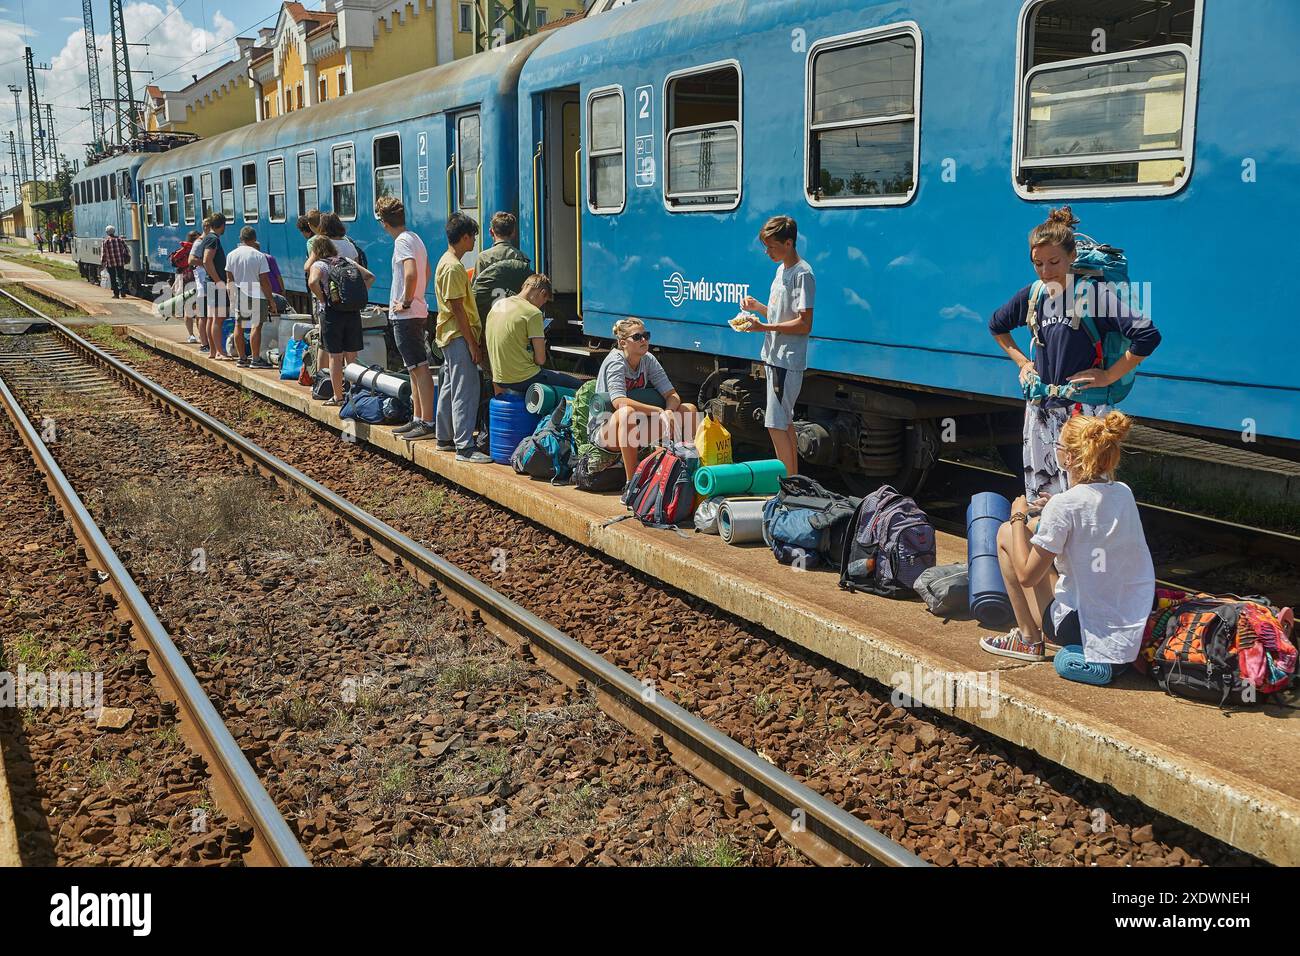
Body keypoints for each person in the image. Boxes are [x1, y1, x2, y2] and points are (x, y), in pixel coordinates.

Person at [990, 206, 1162, 505]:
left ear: (1072, 257)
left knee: (1087, 502)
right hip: (1041, 411)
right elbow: (997, 326)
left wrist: (1109, 376)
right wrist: (1023, 362)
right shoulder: (1034, 295)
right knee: (1042, 501)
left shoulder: (1094, 294)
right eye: (1038, 264)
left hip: (1084, 417)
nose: (1046, 272)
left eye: (1054, 262)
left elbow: (1147, 335)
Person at [980, 412, 1154, 686]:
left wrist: (1016, 517)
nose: (1056, 451)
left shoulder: (1065, 505)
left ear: (1069, 458)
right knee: (1050, 550)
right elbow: (1090, 523)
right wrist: (1053, 511)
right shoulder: (1123, 492)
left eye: (1058, 447)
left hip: (1081, 625)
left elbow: (1027, 575)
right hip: (1129, 615)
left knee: (1005, 534)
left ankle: (1029, 640)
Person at [738, 215, 814, 478]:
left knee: (775, 424)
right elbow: (782, 313)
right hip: (774, 356)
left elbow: (804, 324)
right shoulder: (782, 270)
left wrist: (763, 328)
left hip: (786, 359)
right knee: (785, 423)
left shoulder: (802, 274)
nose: (767, 252)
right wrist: (757, 307)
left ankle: (788, 487)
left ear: (789, 242)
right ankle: (793, 484)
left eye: (771, 246)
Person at [591, 317, 700, 480]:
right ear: (622, 343)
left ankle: (685, 474)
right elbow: (619, 402)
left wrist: (669, 411)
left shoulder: (648, 359)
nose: (643, 340)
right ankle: (632, 483)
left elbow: (672, 394)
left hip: (636, 426)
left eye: (646, 335)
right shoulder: (615, 361)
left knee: (689, 410)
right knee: (626, 413)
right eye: (637, 337)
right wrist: (658, 411)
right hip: (606, 429)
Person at [430, 212, 491, 461]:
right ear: (464, 237)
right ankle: (464, 446)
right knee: (465, 389)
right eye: (473, 237)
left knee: (449, 385)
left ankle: (444, 437)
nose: (475, 242)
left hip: (448, 334)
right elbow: (458, 308)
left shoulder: (445, 261)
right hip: (457, 334)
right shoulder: (454, 267)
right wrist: (472, 343)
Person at [376, 196, 439, 441]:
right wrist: (418, 297)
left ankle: (427, 422)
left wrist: (405, 301)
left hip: (406, 314)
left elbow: (412, 272)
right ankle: (418, 418)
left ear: (384, 222)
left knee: (419, 368)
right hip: (416, 312)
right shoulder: (415, 238)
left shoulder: (402, 241)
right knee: (414, 367)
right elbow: (426, 271)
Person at [485, 273, 581, 395]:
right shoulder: (533, 312)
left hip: (499, 378)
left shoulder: (498, 305)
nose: (541, 306)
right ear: (542, 293)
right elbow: (540, 360)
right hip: (524, 378)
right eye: (543, 302)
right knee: (579, 386)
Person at [307, 234, 375, 406]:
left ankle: (338, 397)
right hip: (352, 312)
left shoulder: (319, 264)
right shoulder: (345, 261)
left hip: (332, 314)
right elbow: (370, 276)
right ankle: (354, 394)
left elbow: (312, 282)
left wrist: (323, 299)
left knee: (335, 357)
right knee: (352, 356)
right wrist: (359, 294)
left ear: (316, 251)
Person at [224, 226, 280, 370]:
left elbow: (229, 279)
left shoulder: (231, 254)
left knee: (239, 325)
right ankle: (255, 359)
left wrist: (232, 296)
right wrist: (271, 300)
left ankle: (242, 358)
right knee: (256, 326)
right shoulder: (258, 255)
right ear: (254, 239)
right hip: (257, 293)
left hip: (239, 292)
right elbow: (264, 281)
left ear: (241, 239)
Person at [471, 211, 532, 323]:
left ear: (491, 232)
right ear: (513, 232)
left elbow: (477, 289)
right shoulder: (521, 257)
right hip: (514, 316)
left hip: (489, 317)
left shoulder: (484, 258)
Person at [191, 214, 231, 360]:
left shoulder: (209, 238)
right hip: (215, 284)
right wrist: (219, 281)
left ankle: (214, 351)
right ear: (222, 224)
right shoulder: (213, 239)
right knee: (218, 319)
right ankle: (219, 351)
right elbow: (207, 261)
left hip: (211, 283)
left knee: (212, 318)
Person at [170, 230, 201, 341]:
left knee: (188, 309)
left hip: (185, 280)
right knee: (199, 310)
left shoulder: (183, 249)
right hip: (197, 280)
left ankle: (191, 335)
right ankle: (201, 335)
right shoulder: (197, 249)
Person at [100, 225, 131, 300]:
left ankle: (116, 294)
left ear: (107, 232)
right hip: (120, 262)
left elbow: (104, 253)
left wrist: (102, 262)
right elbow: (127, 250)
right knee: (121, 277)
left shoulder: (105, 241)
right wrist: (125, 257)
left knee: (113, 278)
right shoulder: (120, 239)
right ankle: (123, 292)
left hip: (110, 263)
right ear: (114, 231)